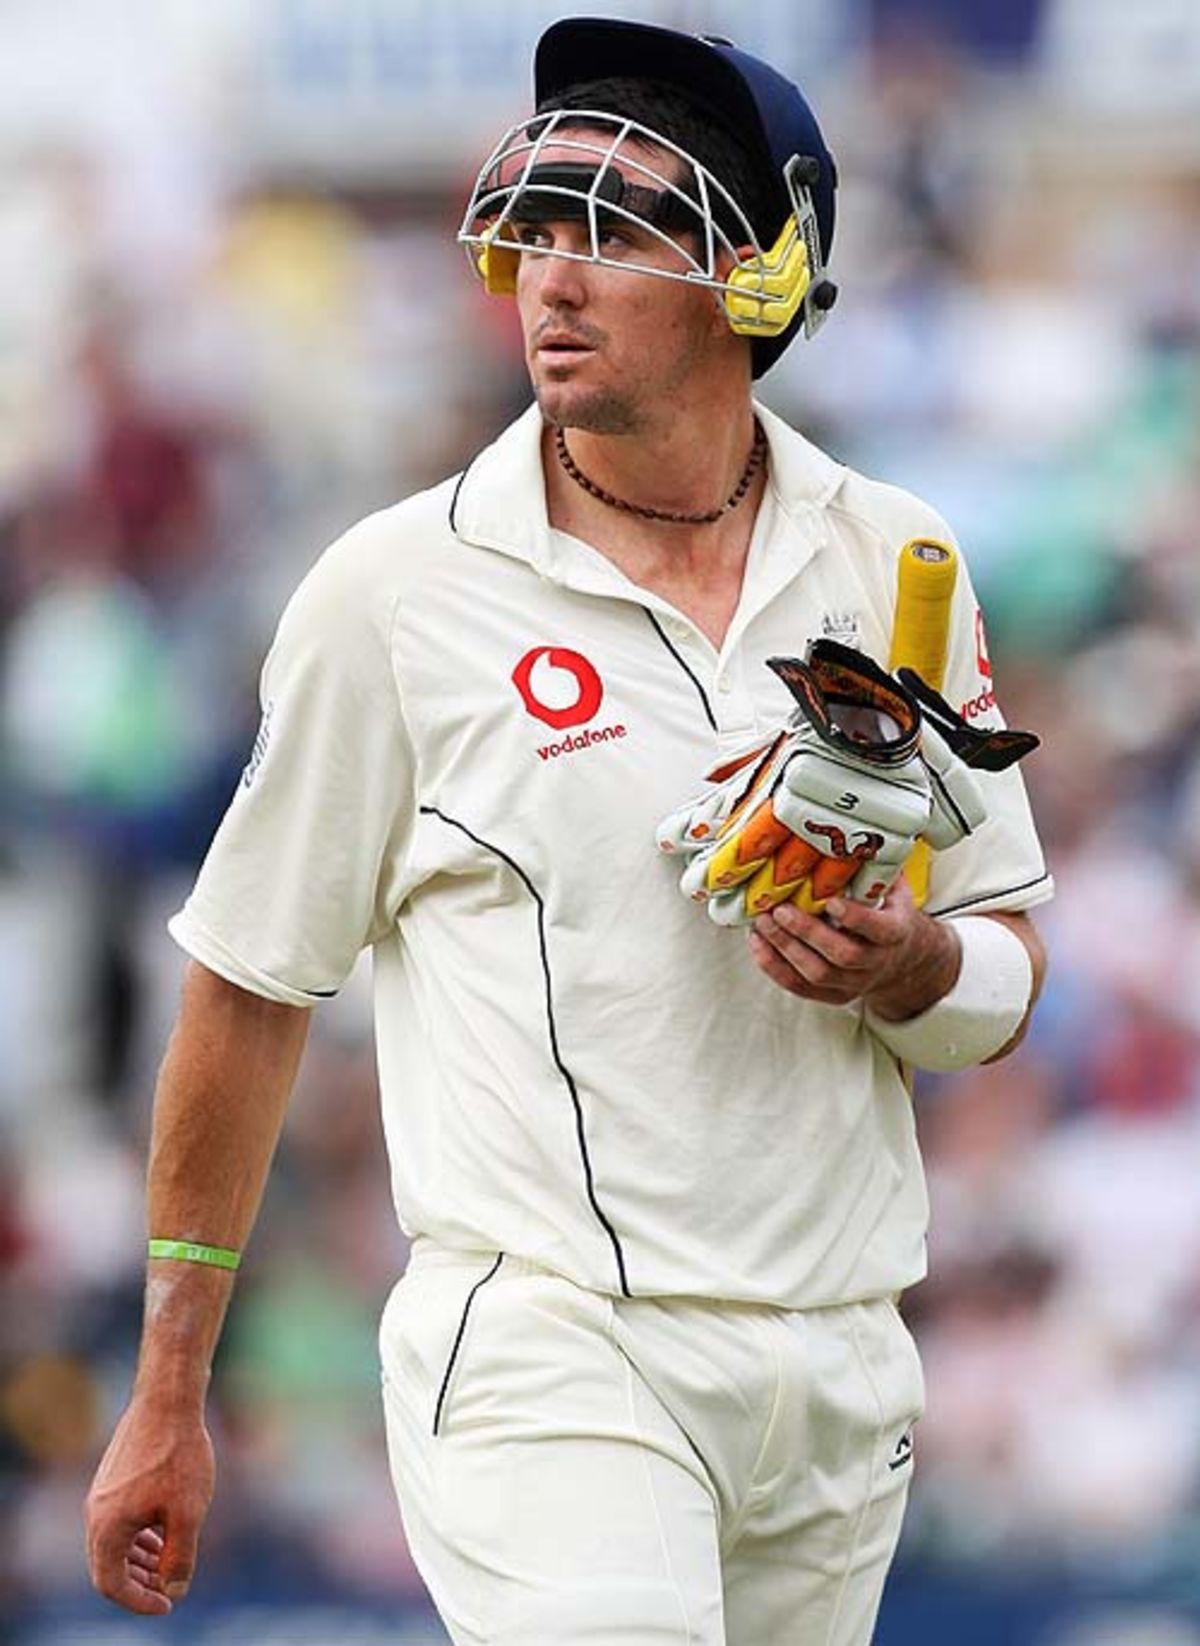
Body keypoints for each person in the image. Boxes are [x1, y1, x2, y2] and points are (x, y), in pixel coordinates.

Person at [84, 17, 1051, 1645]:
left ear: (758, 273)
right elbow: (247, 986)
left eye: (614, 234)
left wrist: (911, 965)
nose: (555, 277)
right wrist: (166, 1388)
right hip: (548, 1348)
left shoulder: (898, 559)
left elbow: (1011, 961)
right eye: (535, 227)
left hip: (840, 1363)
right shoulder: (395, 593)